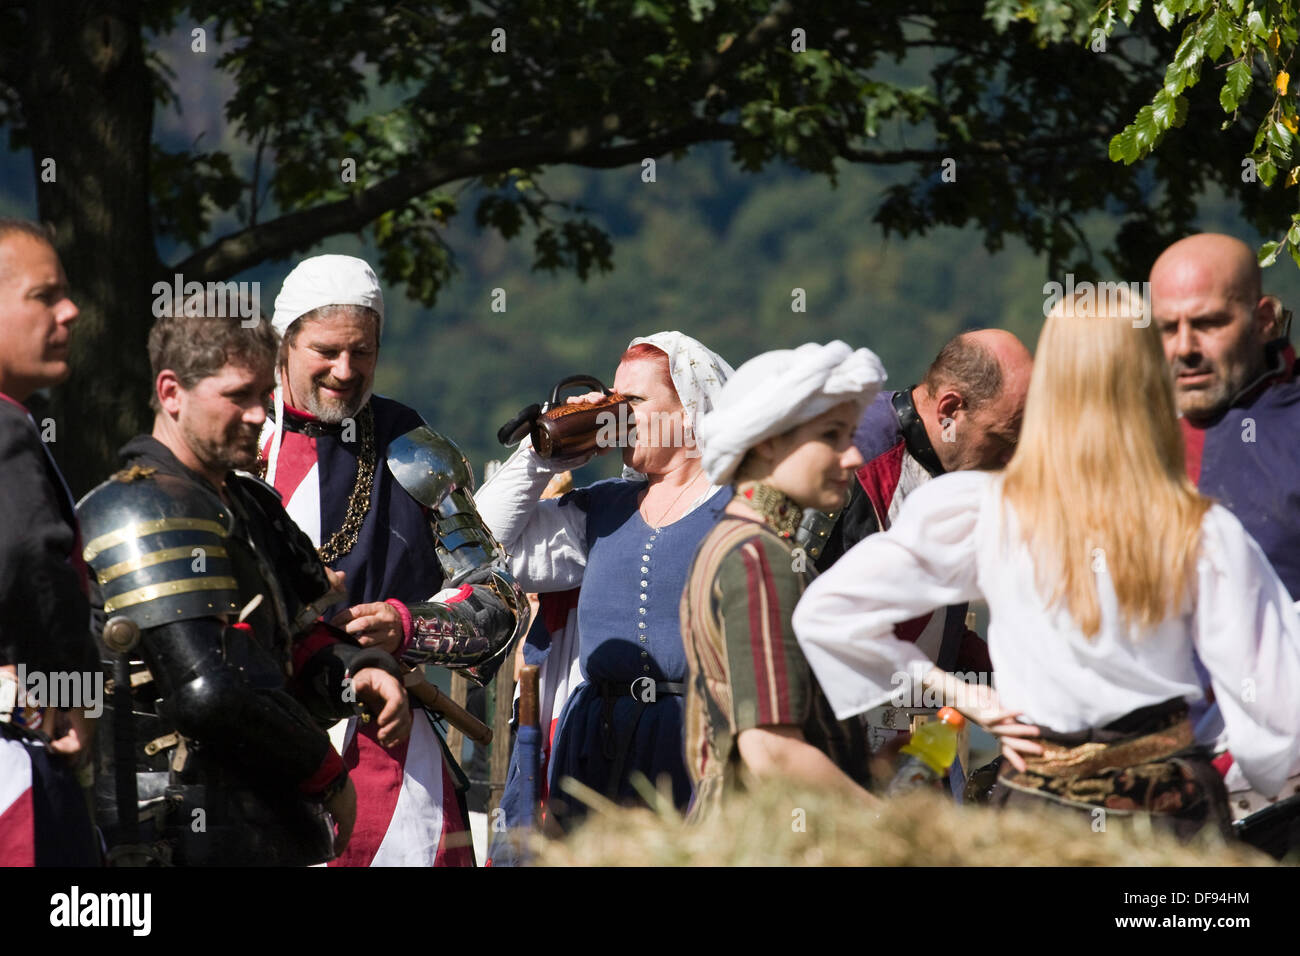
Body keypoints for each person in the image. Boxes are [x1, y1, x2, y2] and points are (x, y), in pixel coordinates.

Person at [794, 290, 1300, 841]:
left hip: (1035, 821)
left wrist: (964, 695)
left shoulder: (982, 511)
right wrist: (1216, 772)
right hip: (1168, 822)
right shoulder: (1204, 531)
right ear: (1152, 386)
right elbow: (1278, 722)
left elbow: (827, 615)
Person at [77, 307, 412, 865]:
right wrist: (325, 772)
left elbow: (289, 639)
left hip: (256, 830)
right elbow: (208, 694)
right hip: (166, 835)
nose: (259, 414)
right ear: (171, 392)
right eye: (237, 395)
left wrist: (356, 673)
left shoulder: (247, 504)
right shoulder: (142, 508)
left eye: (263, 392)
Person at [262, 254, 525, 866]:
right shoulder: (238, 433)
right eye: (326, 351)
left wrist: (407, 623)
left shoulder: (410, 444)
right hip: (257, 742)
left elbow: (498, 598)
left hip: (388, 749)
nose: (345, 371)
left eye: (363, 352)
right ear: (285, 342)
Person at [477, 332, 732, 826]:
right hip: (594, 738)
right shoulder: (603, 507)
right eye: (614, 400)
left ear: (689, 412)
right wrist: (544, 453)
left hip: (691, 739)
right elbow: (487, 541)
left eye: (633, 401)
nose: (618, 414)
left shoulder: (736, 508)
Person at [681, 341, 886, 817]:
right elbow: (772, 751)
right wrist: (897, 830)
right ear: (768, 440)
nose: (853, 455)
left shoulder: (735, 540)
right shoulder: (758, 557)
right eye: (833, 436)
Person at [1150, 233, 1300, 832]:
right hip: (1154, 787)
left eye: (1208, 323)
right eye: (1168, 328)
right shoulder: (1127, 439)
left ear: (1263, 319)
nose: (1185, 348)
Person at [0, 218, 99, 866]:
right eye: (44, 295)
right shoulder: (5, 429)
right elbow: (29, 555)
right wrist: (70, 690)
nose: (69, 311)